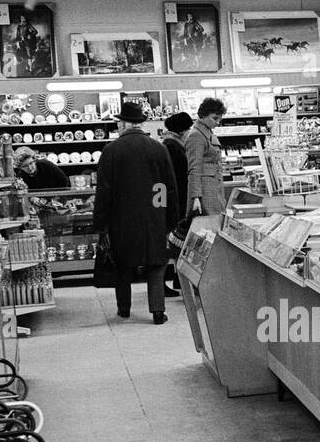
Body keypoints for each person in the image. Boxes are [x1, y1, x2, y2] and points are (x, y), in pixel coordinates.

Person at [93, 102, 178, 325]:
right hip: (154, 216)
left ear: (123, 123)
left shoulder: (111, 150)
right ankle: (158, 311)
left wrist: (100, 222)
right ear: (140, 123)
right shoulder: (159, 148)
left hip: (122, 218)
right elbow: (166, 186)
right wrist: (168, 216)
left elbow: (104, 190)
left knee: (122, 264)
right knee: (156, 263)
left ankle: (124, 308)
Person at [160, 111, 192, 297]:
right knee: (175, 242)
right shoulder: (173, 147)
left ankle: (178, 281)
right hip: (176, 201)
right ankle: (166, 282)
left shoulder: (171, 144)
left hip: (173, 201)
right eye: (187, 128)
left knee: (177, 242)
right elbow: (174, 179)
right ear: (182, 130)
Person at [185, 96, 225, 217]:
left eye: (219, 119)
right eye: (214, 118)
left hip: (213, 189)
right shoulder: (196, 136)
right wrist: (195, 197)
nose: (217, 122)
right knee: (208, 228)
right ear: (204, 115)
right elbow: (194, 169)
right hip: (205, 192)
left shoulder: (205, 133)